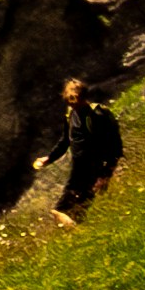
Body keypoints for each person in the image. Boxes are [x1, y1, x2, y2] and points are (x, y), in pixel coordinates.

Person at [53, 76, 125, 225]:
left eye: (76, 102)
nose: (73, 106)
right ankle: (78, 233)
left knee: (59, 210)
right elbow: (65, 140)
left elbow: (115, 145)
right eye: (70, 102)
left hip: (92, 167)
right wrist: (49, 158)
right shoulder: (71, 113)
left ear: (83, 97)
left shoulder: (99, 114)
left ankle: (76, 231)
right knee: (78, 212)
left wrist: (106, 173)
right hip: (79, 167)